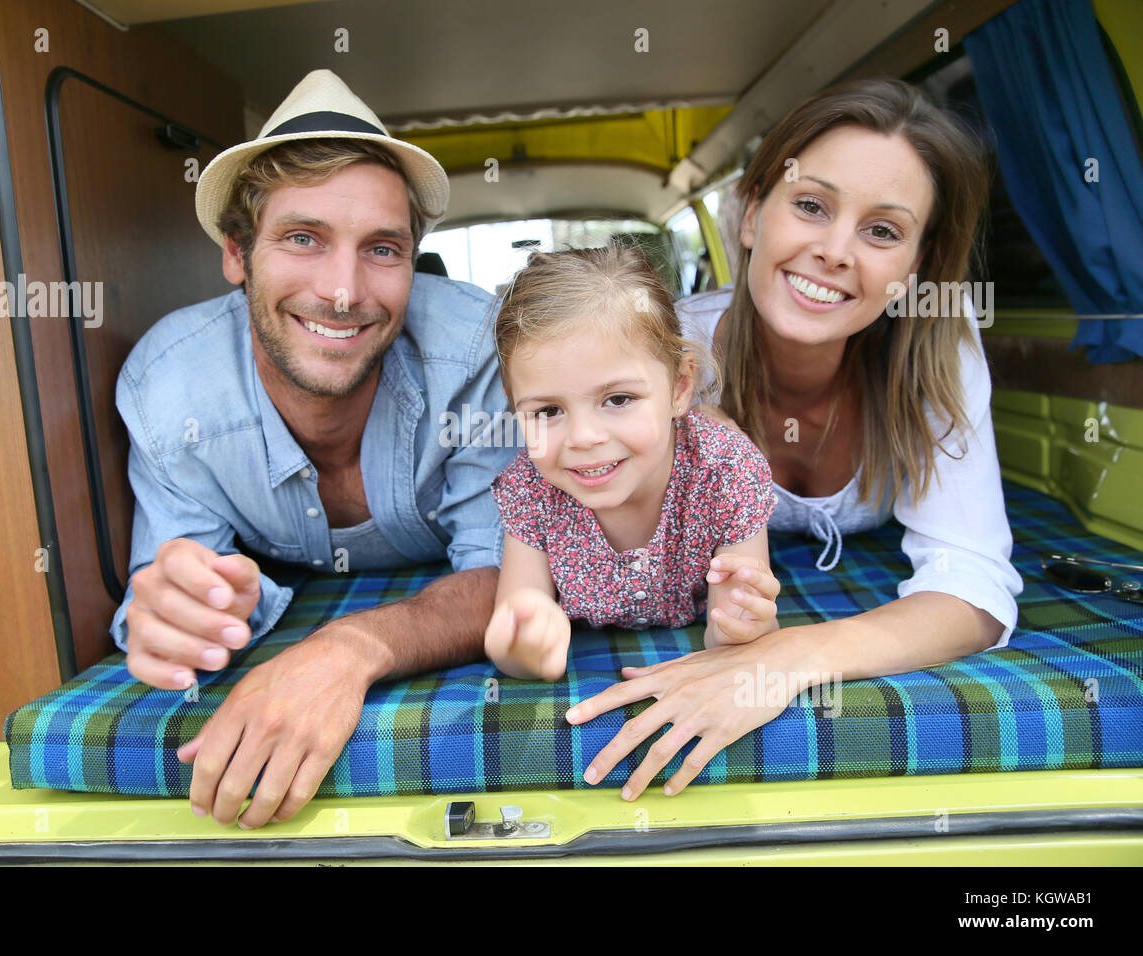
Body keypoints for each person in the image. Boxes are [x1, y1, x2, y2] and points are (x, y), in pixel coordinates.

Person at [566, 78, 1023, 801]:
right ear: (752, 215)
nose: (835, 251)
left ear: (916, 269)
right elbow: (579, 532)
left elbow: (972, 586)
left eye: (882, 231)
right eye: (811, 206)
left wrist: (783, 660)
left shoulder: (942, 344)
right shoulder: (664, 356)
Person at [113, 69, 516, 828]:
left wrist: (349, 648)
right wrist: (176, 610)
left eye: (382, 249)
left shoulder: (476, 351)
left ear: (412, 263)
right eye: (303, 239)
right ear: (237, 253)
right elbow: (170, 590)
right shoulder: (170, 390)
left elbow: (507, 574)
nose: (342, 290)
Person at [482, 246, 781, 680]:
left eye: (618, 399)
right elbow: (519, 629)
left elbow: (732, 632)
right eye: (547, 411)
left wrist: (744, 626)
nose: (585, 437)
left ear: (680, 387)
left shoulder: (725, 471)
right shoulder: (532, 490)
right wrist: (523, 646)